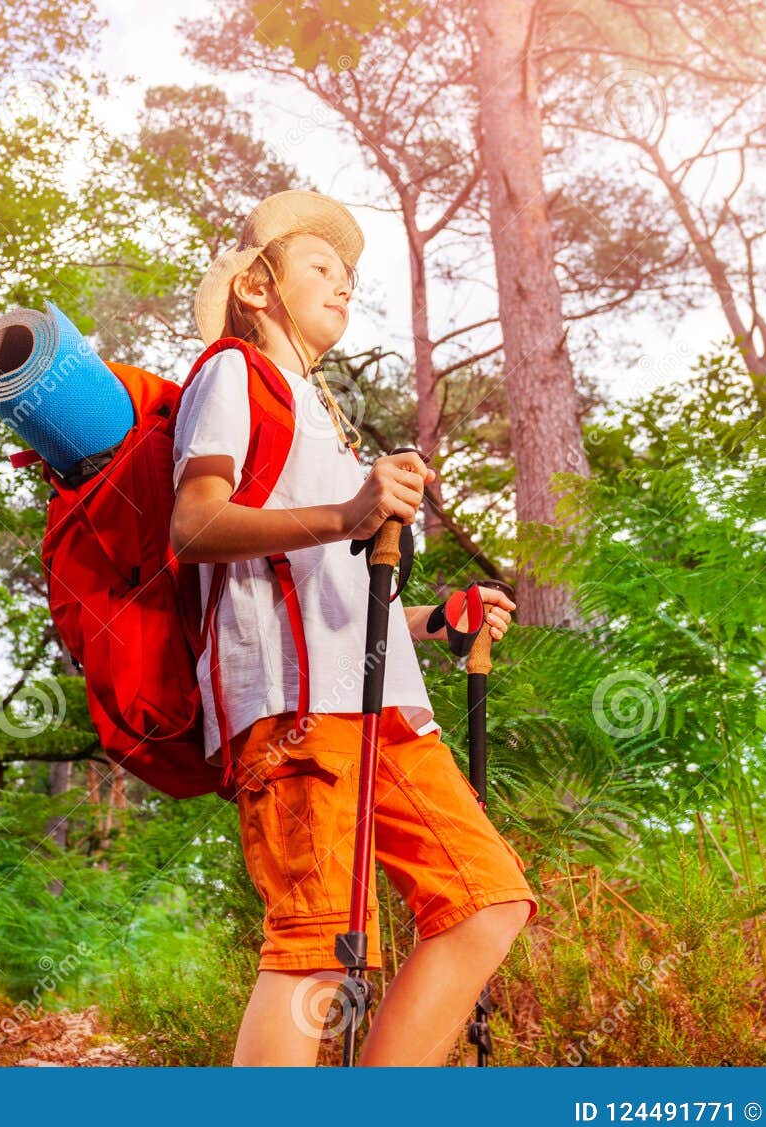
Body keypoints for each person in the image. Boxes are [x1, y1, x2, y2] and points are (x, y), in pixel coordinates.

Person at [169, 190, 538, 1066]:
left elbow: (338, 595)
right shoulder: (233, 373)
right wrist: (348, 512)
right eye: (320, 267)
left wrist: (435, 619)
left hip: (381, 708)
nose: (343, 285)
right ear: (258, 288)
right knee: (318, 948)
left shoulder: (323, 419)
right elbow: (195, 525)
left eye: (349, 274)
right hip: (295, 706)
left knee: (487, 901)